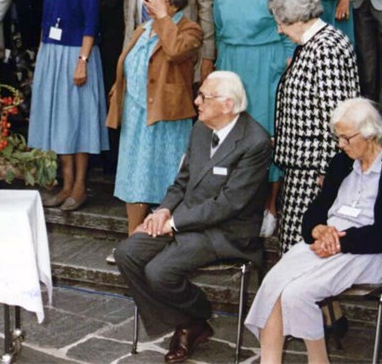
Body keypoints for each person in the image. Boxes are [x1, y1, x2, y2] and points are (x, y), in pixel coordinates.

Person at [114, 71, 270, 364]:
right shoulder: (200, 128)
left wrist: (173, 222)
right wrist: (162, 210)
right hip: (186, 220)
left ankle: (192, 321)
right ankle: (190, 320)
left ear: (227, 104)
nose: (197, 101)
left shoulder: (255, 142)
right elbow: (182, 182)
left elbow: (229, 204)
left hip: (227, 232)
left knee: (160, 272)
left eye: (204, 96)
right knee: (127, 254)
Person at [245, 97, 382, 364]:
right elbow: (315, 211)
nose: (340, 145)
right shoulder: (342, 163)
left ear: (369, 132)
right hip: (328, 243)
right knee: (273, 282)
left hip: (370, 252)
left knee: (298, 292)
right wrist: (319, 230)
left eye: (346, 138)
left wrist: (338, 242)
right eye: (339, 138)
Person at [107, 0, 201, 247]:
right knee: (133, 178)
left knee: (164, 178)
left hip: (166, 118)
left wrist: (162, 18)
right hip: (136, 116)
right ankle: (132, 242)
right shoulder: (143, 28)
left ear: (171, 3)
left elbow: (174, 51)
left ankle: (161, 242)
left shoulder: (189, 29)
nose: (149, 3)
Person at [270, 0, 360, 252]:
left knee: (300, 251)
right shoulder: (314, 44)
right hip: (302, 167)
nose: (279, 31)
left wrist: (328, 170)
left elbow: (338, 115)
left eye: (281, 24)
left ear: (297, 20)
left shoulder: (326, 49)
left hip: (314, 173)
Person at [29, 0, 108, 212]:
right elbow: (45, 18)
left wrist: (82, 61)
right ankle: (65, 182)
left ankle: (79, 186)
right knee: (57, 119)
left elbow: (91, 21)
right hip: (52, 52)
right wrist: (41, 55)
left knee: (78, 118)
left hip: (77, 51)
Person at [214, 0, 289, 228]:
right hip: (231, 64)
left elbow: (287, 34)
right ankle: (233, 205)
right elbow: (219, 31)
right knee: (230, 134)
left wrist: (281, 69)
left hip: (265, 66)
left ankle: (270, 207)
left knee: (264, 133)